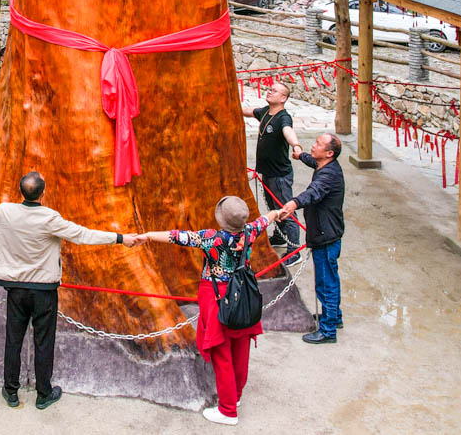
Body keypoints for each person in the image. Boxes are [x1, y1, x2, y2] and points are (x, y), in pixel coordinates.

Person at [0, 172, 138, 410]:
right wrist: (120, 238)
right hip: (44, 290)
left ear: (20, 191)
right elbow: (84, 235)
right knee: (44, 341)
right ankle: (43, 393)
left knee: (13, 339)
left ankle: (11, 390)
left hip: (15, 288)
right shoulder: (50, 218)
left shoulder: (5, 211)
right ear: (43, 193)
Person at [135, 197, 285, 426]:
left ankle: (227, 411)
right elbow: (266, 219)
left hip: (217, 297)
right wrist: (277, 211)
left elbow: (178, 237)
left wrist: (148, 235)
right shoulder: (250, 231)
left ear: (222, 219)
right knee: (241, 348)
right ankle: (236, 397)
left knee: (222, 354)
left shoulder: (212, 238)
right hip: (243, 294)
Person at [279, 133, 345, 345]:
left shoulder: (329, 176)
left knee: (326, 284)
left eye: (318, 144)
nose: (313, 146)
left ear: (329, 153)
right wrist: (300, 155)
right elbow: (311, 160)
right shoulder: (325, 164)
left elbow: (313, 193)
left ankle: (328, 330)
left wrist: (294, 203)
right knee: (329, 280)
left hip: (326, 237)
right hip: (325, 233)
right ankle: (334, 317)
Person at [242, 81, 304, 255]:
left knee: (286, 209)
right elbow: (250, 111)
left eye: (274, 91)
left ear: (283, 98)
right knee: (273, 207)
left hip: (279, 175)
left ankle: (294, 251)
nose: (269, 92)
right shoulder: (265, 112)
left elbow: (288, 131)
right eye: (269, 89)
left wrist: (296, 145)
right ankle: (279, 235)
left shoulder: (283, 117)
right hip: (267, 173)